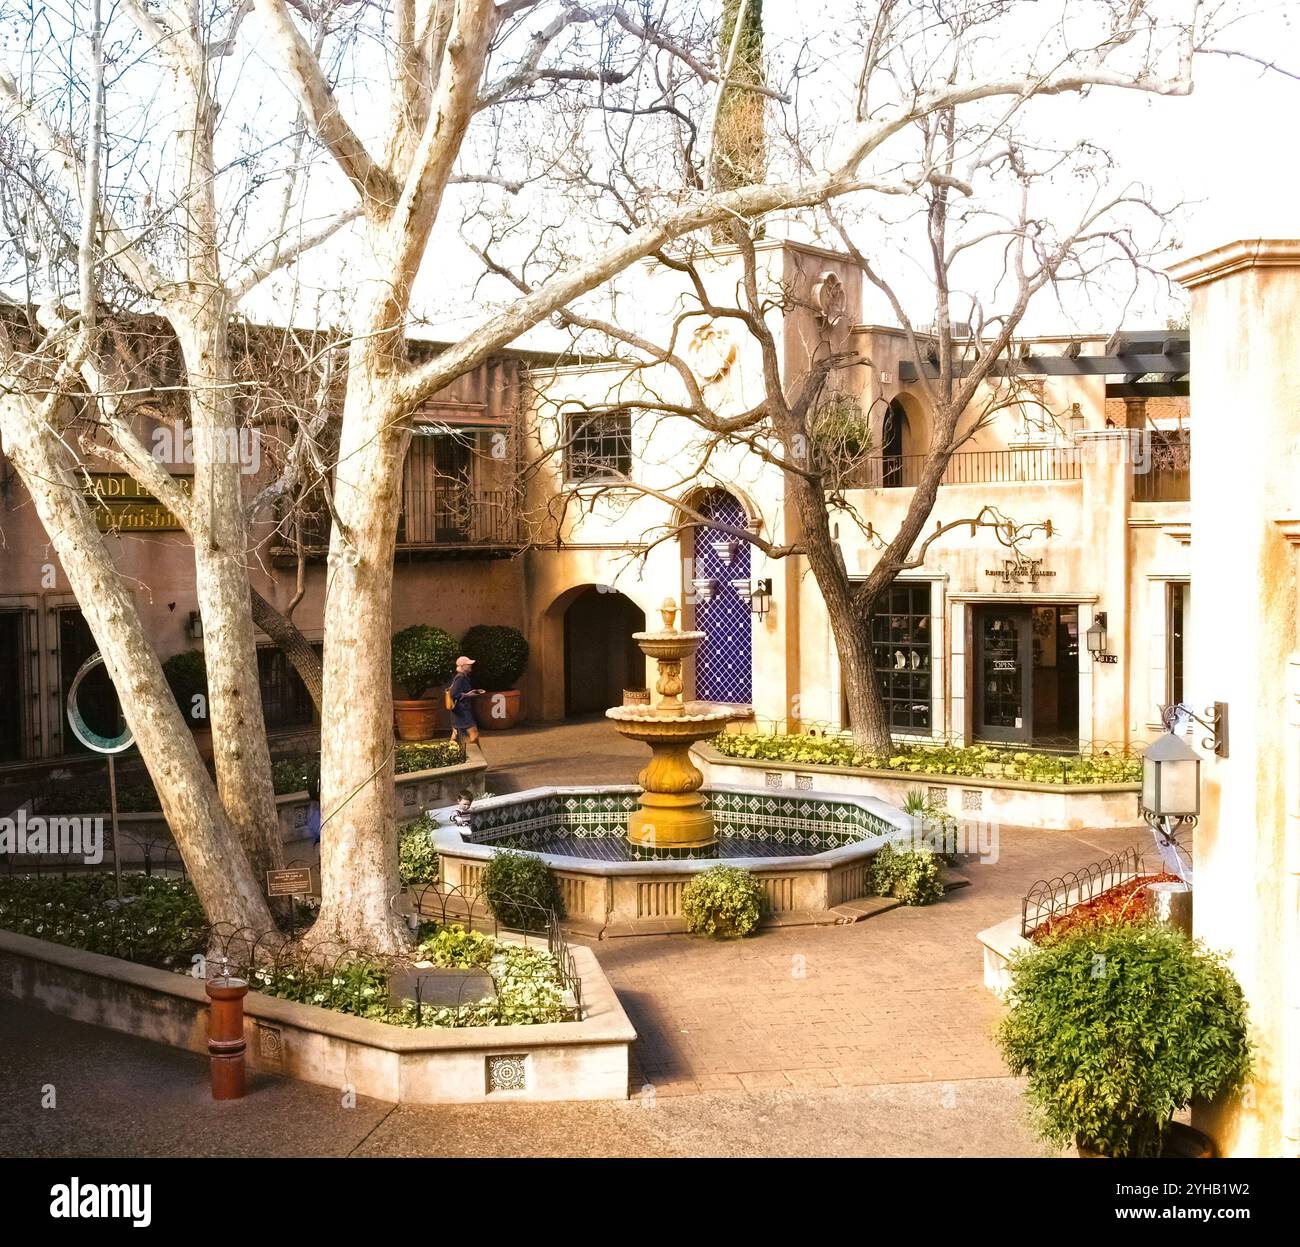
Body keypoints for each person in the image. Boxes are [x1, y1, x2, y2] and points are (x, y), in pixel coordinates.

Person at [447, 655, 484, 748]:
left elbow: (457, 692)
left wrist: (470, 693)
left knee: (455, 735)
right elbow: (453, 693)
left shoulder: (462, 677)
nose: (471, 665)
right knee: (474, 733)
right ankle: (475, 755)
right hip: (462, 711)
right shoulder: (461, 677)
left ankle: (450, 754)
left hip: (459, 711)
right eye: (468, 664)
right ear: (463, 666)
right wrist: (468, 695)